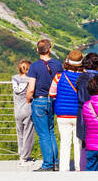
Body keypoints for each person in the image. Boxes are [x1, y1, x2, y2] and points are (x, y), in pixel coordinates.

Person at [24, 37, 62, 169]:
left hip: (39, 100)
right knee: (51, 131)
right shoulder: (58, 65)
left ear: (37, 50)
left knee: (43, 134)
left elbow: (31, 88)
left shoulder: (34, 66)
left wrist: (28, 99)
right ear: (50, 50)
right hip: (53, 100)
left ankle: (47, 164)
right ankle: (56, 162)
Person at [50, 50, 86, 172]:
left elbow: (52, 93)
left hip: (62, 114)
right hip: (78, 114)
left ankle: (64, 169)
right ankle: (78, 167)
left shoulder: (59, 76)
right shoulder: (83, 77)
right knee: (78, 142)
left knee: (65, 142)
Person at [11, 60, 35, 162]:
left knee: (19, 133)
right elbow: (31, 91)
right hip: (27, 108)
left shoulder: (14, 78)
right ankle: (25, 157)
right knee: (28, 134)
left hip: (17, 110)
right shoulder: (30, 80)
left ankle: (21, 153)